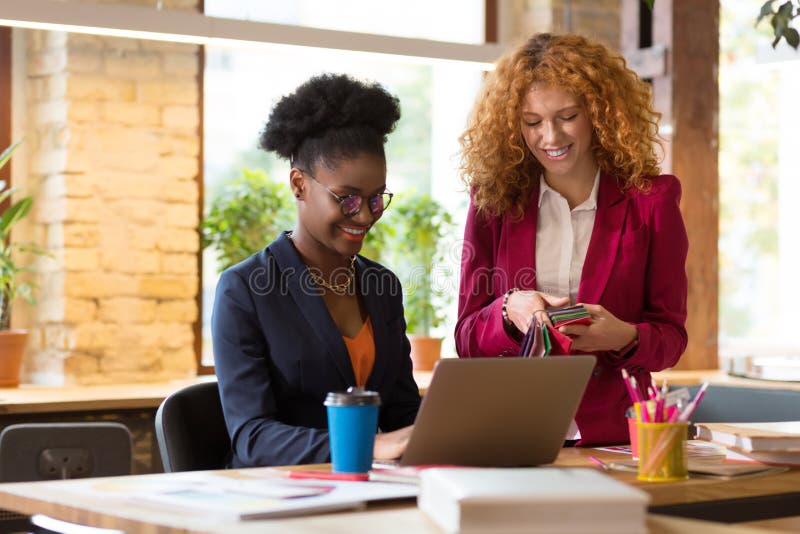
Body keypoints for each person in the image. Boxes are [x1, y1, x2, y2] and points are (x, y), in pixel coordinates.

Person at [454, 33, 688, 446]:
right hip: (511, 429)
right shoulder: (493, 201)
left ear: (599, 113)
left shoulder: (652, 202)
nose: (550, 137)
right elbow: (467, 337)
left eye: (567, 116)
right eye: (532, 122)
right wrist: (509, 310)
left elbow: (671, 339)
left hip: (614, 436)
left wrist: (624, 337)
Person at [212, 74, 420, 467]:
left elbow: (402, 410)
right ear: (299, 185)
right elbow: (252, 436)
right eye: (347, 198)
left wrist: (448, 432)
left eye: (377, 200)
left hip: (368, 489)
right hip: (278, 498)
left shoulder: (381, 286)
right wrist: (367, 447)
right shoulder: (244, 289)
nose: (364, 215)